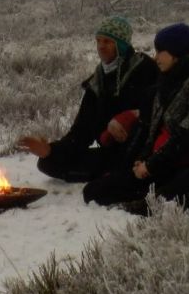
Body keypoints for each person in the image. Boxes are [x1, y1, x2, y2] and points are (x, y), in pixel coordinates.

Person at [82, 22, 189, 213]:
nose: (155, 58)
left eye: (160, 51)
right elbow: (152, 133)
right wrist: (142, 160)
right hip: (165, 167)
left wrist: (151, 165)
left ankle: (145, 206)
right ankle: (155, 198)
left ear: (176, 53)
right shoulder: (163, 86)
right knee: (93, 191)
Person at [19, 16, 158, 183]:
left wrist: (133, 116)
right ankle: (114, 174)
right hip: (112, 154)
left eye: (107, 41)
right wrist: (50, 150)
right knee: (48, 163)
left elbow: (162, 109)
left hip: (146, 153)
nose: (101, 46)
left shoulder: (145, 69)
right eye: (98, 41)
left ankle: (122, 175)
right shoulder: (97, 83)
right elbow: (81, 132)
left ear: (121, 44)